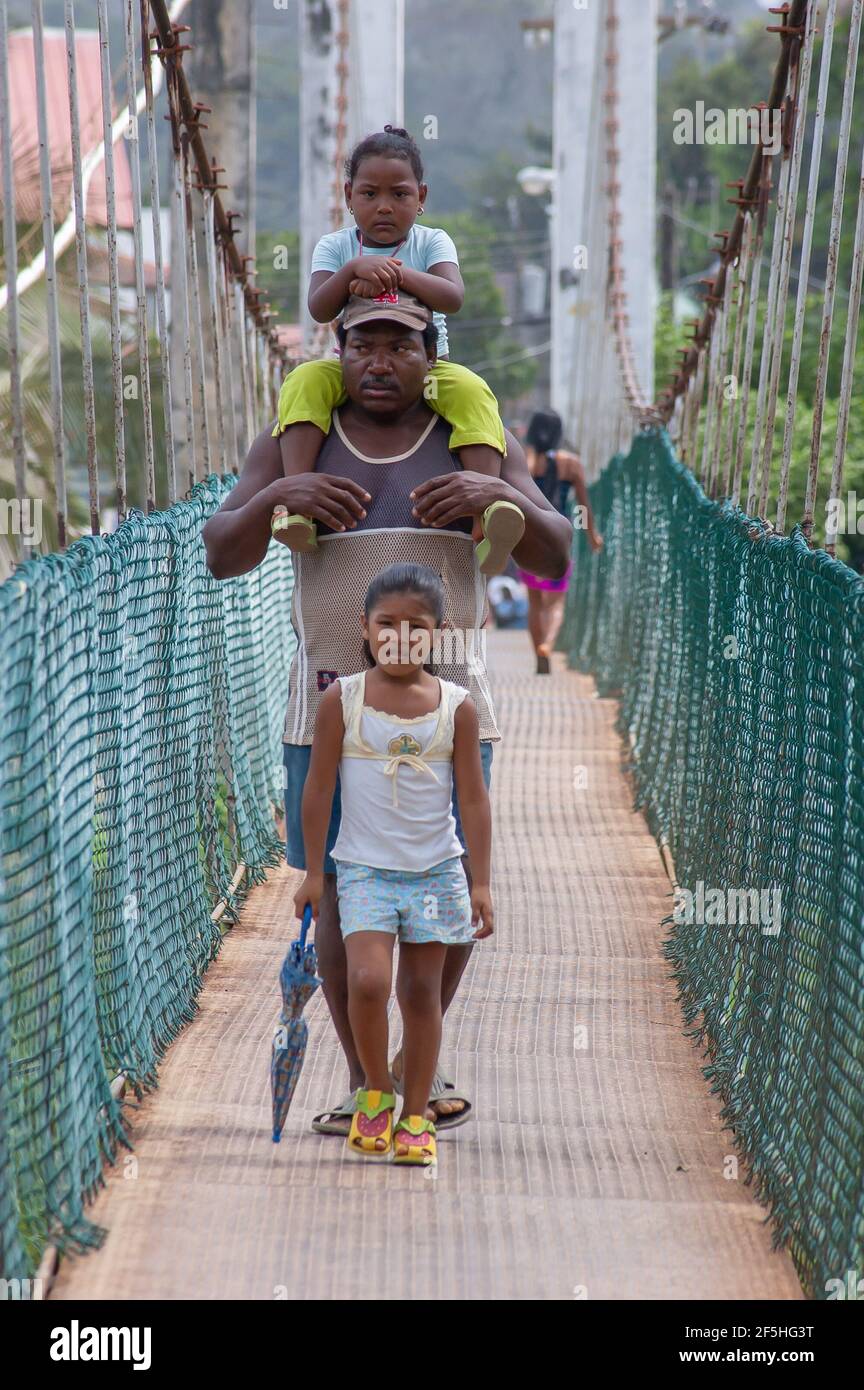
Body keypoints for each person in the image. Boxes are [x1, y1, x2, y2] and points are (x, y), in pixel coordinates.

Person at [201, 295, 572, 1138]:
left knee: (446, 884)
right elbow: (222, 552)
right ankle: (366, 1078)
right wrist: (279, 496)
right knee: (335, 895)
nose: (378, 362)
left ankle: (412, 1065)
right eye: (360, 344)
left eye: (398, 347)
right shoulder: (298, 438)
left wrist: (493, 488)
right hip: (328, 706)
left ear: (428, 358)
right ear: (338, 354)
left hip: (451, 710)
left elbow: (555, 551)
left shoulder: (467, 436)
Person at [293, 563, 493, 1165]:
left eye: (416, 626)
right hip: (363, 872)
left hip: (434, 871)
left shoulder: (455, 708)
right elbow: (318, 790)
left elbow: (474, 800)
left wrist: (479, 881)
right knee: (369, 981)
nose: (399, 637)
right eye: (386, 624)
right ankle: (375, 1091)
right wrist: (310, 874)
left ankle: (414, 1117)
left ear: (438, 634)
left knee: (420, 992)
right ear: (365, 627)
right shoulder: (342, 700)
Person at [268, 124, 525, 577]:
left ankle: (487, 517)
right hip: (348, 370)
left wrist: (395, 273)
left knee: (472, 392)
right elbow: (318, 305)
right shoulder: (336, 247)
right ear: (349, 196)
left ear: (421, 196)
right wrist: (351, 271)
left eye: (400, 195)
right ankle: (297, 504)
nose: (384, 206)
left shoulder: (431, 241)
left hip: (428, 367)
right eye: (369, 194)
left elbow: (451, 296)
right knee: (302, 381)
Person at [517, 409, 603, 674]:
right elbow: (584, 506)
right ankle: (548, 645)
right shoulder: (572, 464)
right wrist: (593, 537)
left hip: (528, 537)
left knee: (535, 603)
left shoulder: (527, 461)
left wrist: (529, 452)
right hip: (560, 538)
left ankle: (537, 652)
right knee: (555, 603)